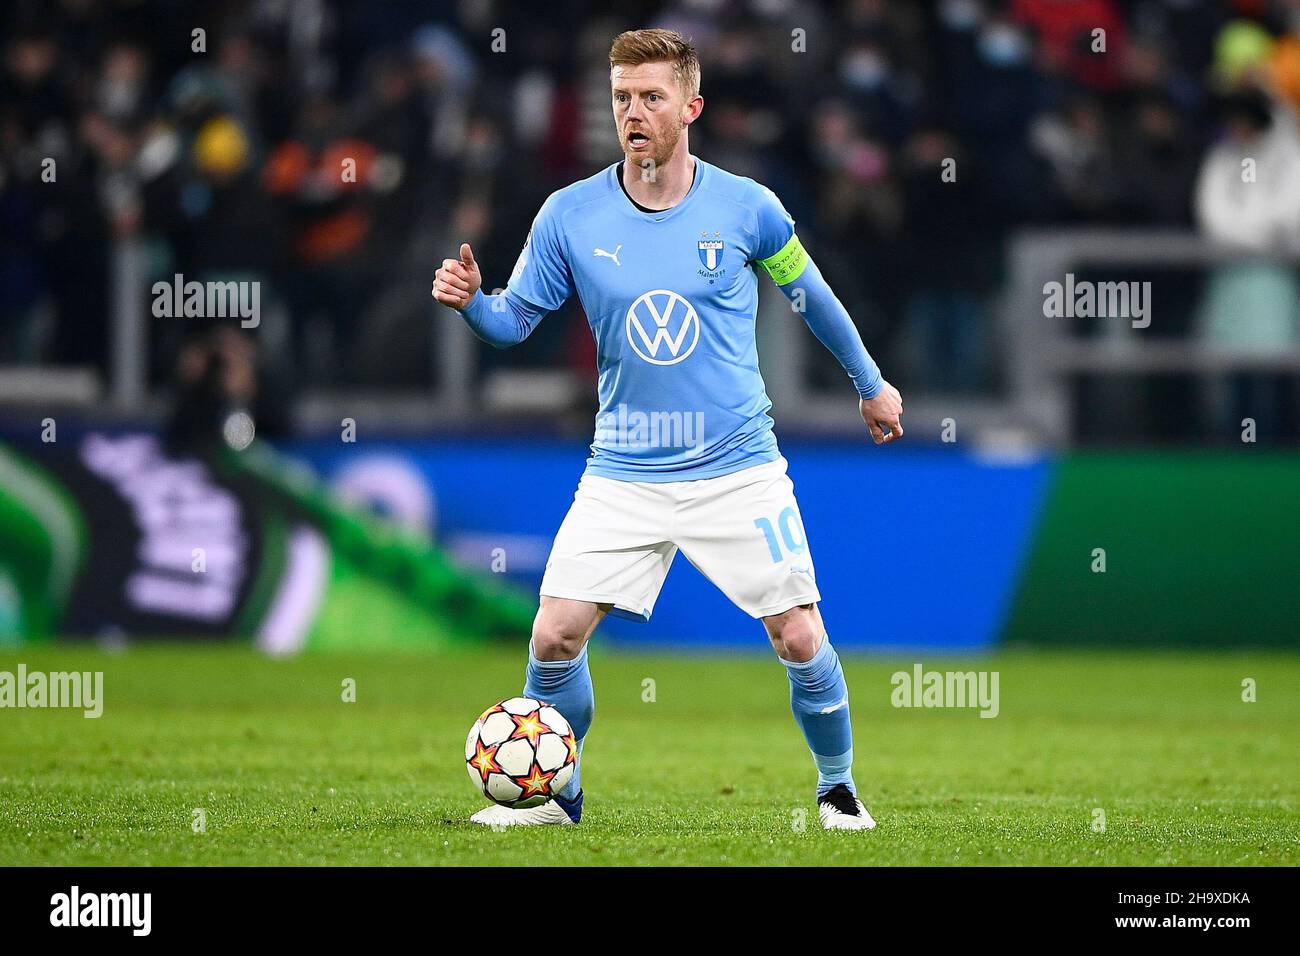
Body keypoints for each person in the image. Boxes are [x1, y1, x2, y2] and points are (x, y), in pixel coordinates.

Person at [433, 29, 903, 830]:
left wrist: (871, 383)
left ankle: (837, 788)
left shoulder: (747, 208)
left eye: (651, 97)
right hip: (623, 470)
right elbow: (515, 321)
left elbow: (812, 298)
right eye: (621, 98)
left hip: (737, 465)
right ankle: (555, 796)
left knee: (796, 635)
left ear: (692, 106)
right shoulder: (570, 215)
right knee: (552, 636)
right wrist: (475, 302)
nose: (634, 113)